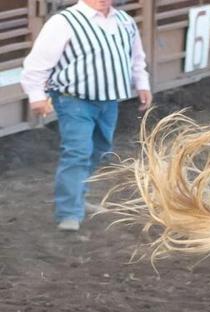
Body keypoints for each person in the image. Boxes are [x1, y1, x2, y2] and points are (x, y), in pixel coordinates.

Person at [21, 0, 152, 232]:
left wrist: (142, 83)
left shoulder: (124, 21)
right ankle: (69, 212)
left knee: (100, 147)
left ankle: (77, 196)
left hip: (109, 100)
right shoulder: (63, 22)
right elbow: (37, 63)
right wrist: (36, 96)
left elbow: (135, 58)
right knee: (78, 151)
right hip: (73, 99)